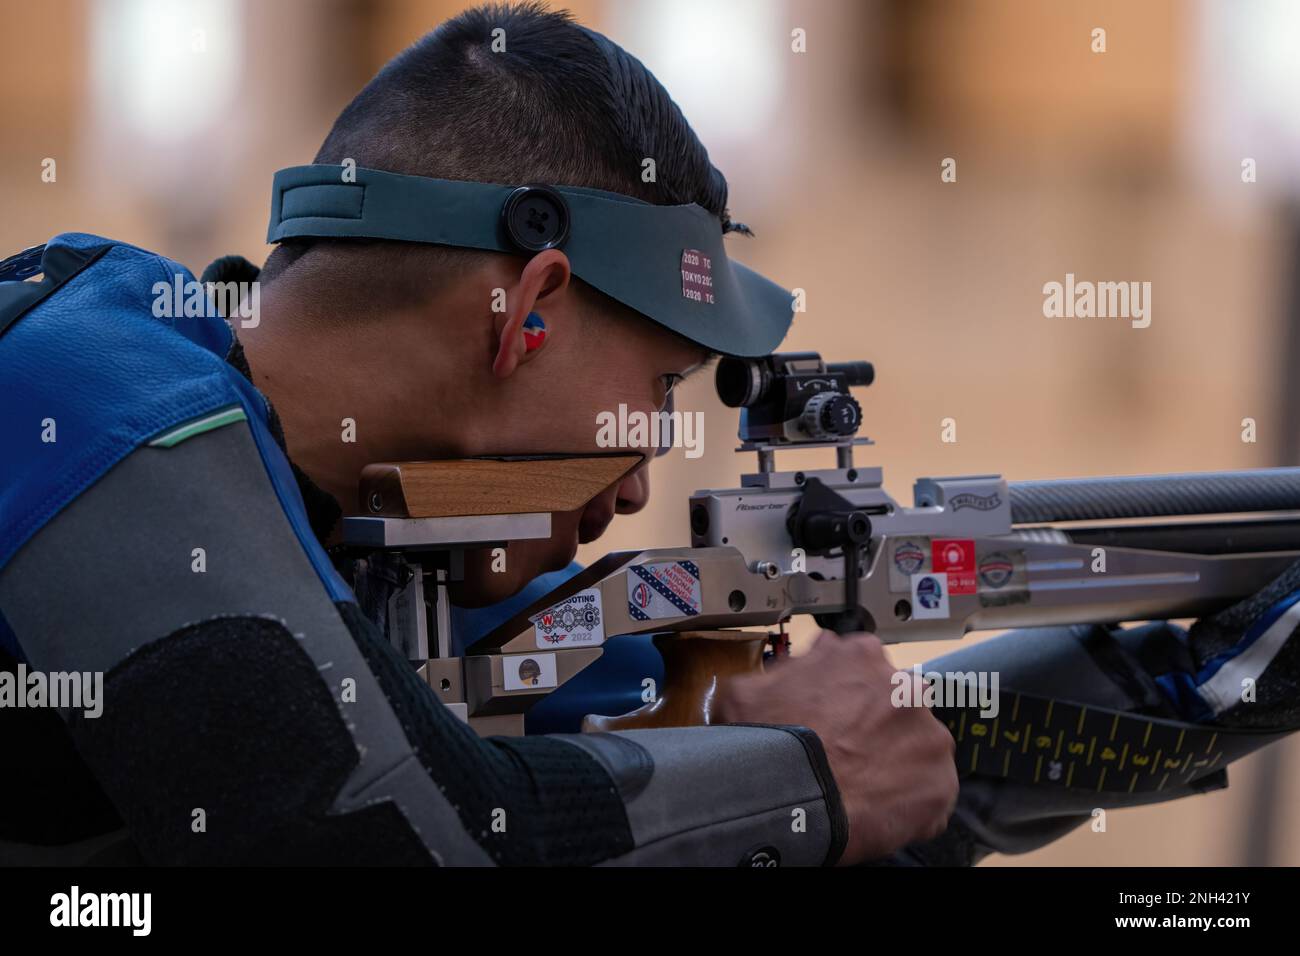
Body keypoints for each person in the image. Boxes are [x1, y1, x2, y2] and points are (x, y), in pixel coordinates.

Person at [0, 3, 958, 866]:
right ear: (525, 313)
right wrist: (803, 777)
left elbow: (854, 773)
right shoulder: (92, 387)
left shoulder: (380, 554)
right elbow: (383, 830)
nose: (635, 484)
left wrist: (1082, 683)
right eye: (661, 384)